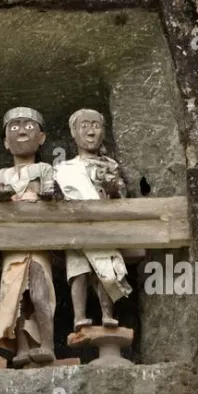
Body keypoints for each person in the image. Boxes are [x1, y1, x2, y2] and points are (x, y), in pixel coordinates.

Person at [0, 107, 57, 367]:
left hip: (38, 238)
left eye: (28, 125)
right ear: (6, 142)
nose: (21, 130)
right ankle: (23, 347)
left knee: (39, 292)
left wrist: (44, 197)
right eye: (14, 126)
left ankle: (47, 344)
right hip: (12, 240)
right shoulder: (0, 175)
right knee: (14, 294)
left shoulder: (45, 169)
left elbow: (52, 196)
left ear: (42, 137)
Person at [55, 108, 132, 329]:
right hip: (76, 228)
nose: (91, 132)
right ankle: (79, 316)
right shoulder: (64, 169)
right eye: (85, 126)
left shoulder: (111, 165)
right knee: (78, 271)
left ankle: (107, 314)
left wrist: (114, 189)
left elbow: (122, 197)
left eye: (96, 126)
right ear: (74, 132)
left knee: (105, 270)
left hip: (103, 227)